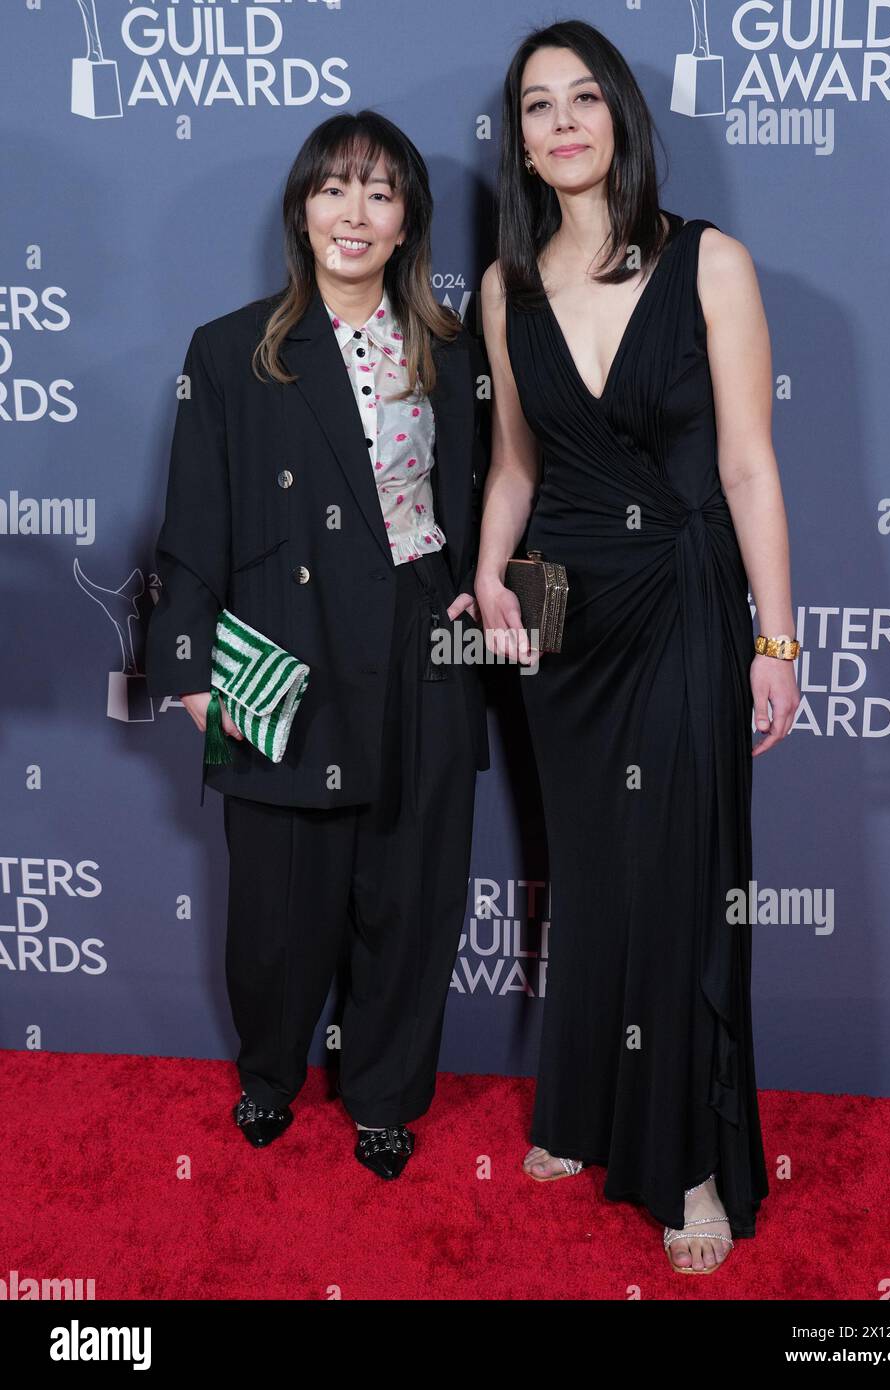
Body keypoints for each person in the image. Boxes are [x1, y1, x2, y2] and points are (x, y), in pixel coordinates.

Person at [475, 19, 799, 1272]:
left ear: (620, 115)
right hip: (569, 616)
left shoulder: (710, 262)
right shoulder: (505, 289)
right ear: (520, 138)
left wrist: (775, 636)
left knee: (677, 879)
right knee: (597, 870)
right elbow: (513, 466)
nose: (561, 123)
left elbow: (747, 465)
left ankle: (692, 1164)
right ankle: (580, 1114)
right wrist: (487, 578)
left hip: (683, 595)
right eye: (536, 106)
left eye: (581, 99)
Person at [145, 111, 490, 1180]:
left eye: (379, 193)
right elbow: (192, 529)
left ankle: (385, 1093)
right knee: (277, 908)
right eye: (333, 188)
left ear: (406, 222)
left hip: (422, 644)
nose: (353, 211)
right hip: (279, 650)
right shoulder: (231, 350)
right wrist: (194, 676)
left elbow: (486, 503)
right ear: (301, 210)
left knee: (411, 888)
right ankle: (267, 1076)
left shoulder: (448, 347)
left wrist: (489, 596)